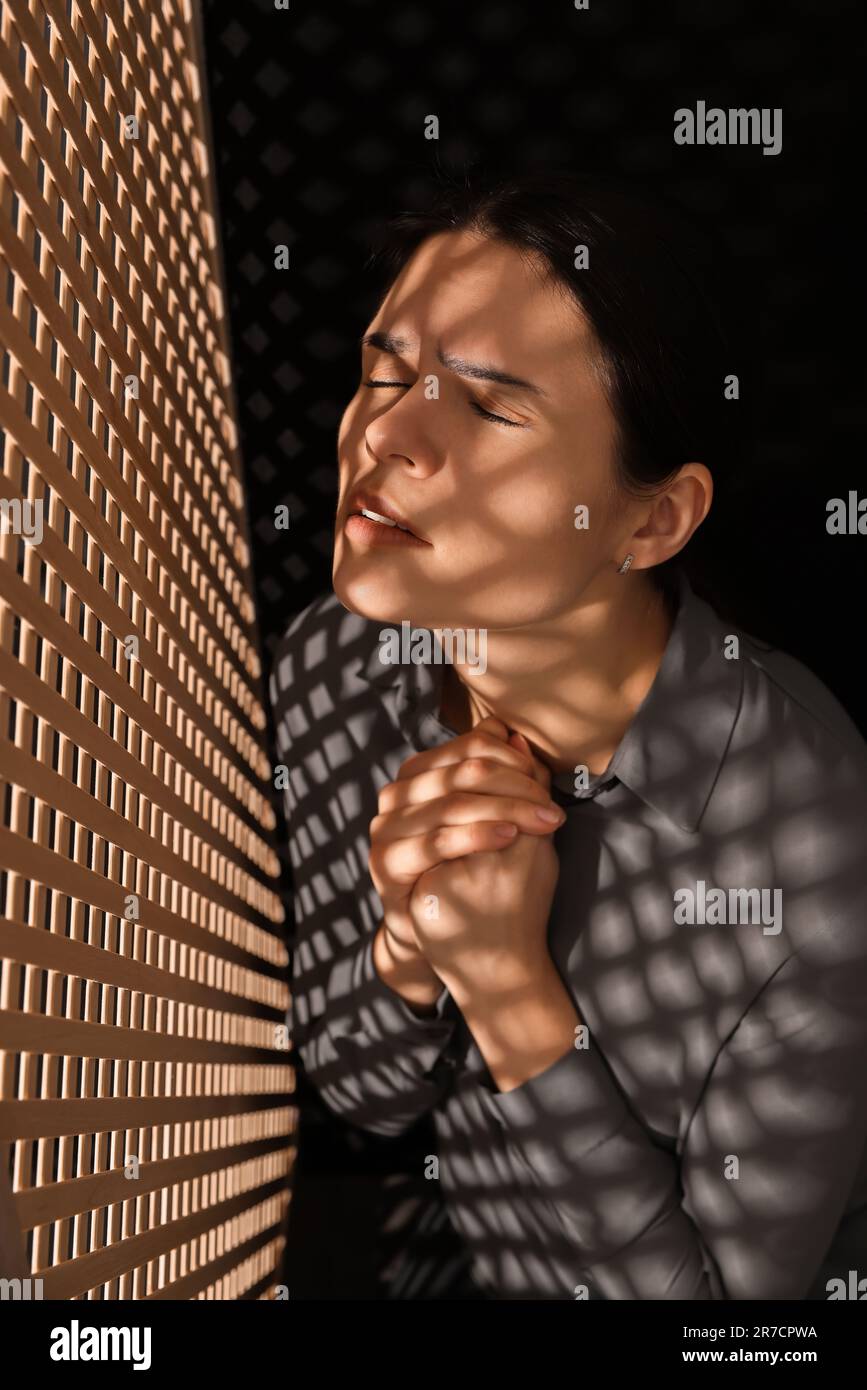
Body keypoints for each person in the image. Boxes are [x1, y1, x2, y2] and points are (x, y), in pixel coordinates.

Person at [269, 168, 867, 1300]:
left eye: (491, 407)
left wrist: (510, 992)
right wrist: (403, 954)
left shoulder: (814, 849)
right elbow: (362, 1096)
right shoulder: (340, 660)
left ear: (653, 519)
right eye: (383, 372)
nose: (386, 434)